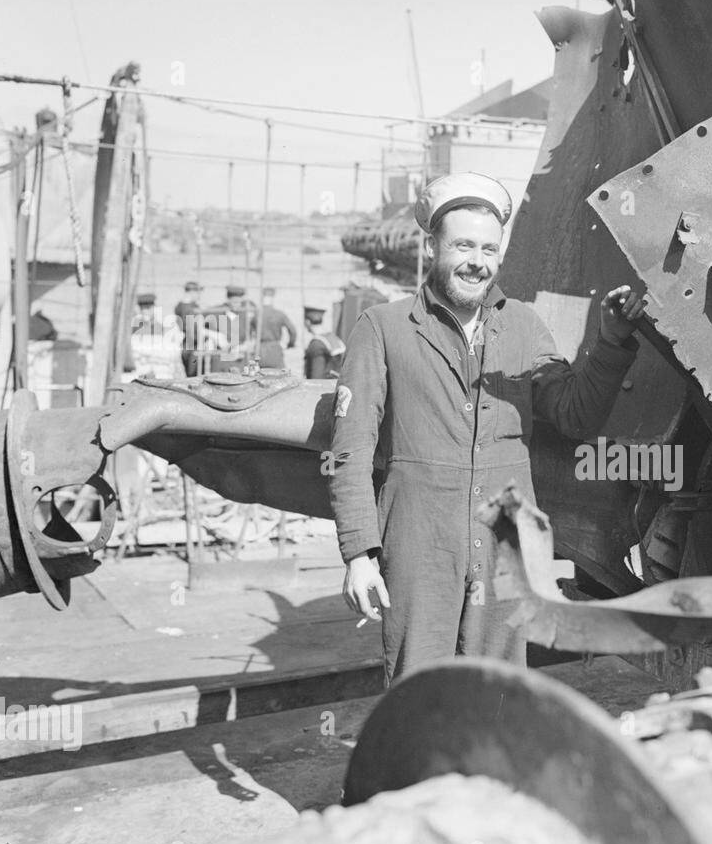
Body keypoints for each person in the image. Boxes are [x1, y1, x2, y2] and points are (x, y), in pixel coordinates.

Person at [328, 171, 646, 686]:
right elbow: (351, 451)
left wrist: (611, 343)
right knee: (419, 692)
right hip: (418, 546)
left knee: (500, 693)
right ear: (432, 246)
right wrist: (359, 554)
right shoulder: (382, 329)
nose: (477, 261)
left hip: (506, 547)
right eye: (463, 245)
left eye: (489, 249)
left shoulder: (523, 325)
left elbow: (574, 415)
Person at [123, 293, 183, 381]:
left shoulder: (163, 326)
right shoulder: (133, 327)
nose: (145, 311)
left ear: (154, 307)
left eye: (148, 308)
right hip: (141, 369)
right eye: (143, 308)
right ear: (139, 309)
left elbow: (172, 350)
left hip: (160, 371)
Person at [256, 287, 298, 370]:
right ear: (272, 298)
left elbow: (249, 333)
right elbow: (293, 331)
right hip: (275, 349)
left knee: (257, 375)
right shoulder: (279, 314)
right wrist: (290, 344)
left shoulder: (256, 314)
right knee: (279, 376)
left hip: (259, 349)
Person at [302, 305, 345, 379]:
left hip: (325, 387)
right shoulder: (334, 338)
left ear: (307, 322)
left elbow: (316, 377)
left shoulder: (316, 344)